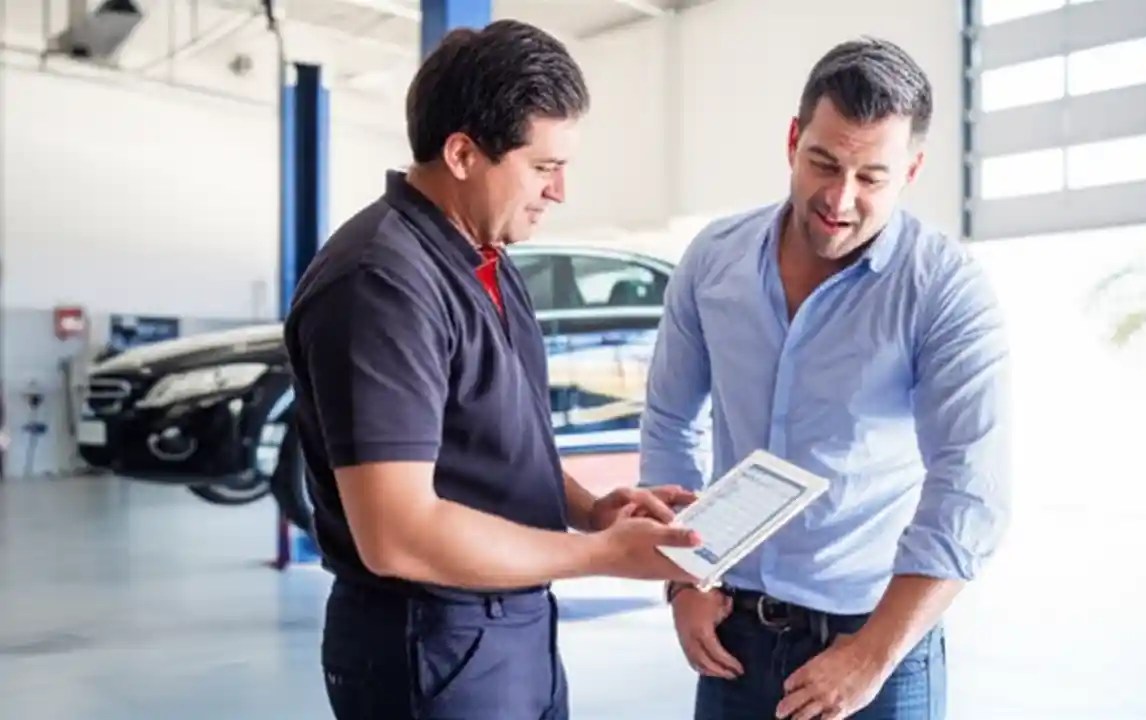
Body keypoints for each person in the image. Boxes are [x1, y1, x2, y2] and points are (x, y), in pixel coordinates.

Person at [284, 20, 700, 720]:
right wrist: (603, 556)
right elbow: (397, 534)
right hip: (431, 639)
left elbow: (495, 443)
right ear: (462, 153)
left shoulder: (485, 259)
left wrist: (591, 511)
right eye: (542, 167)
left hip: (509, 624)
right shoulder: (380, 283)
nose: (560, 191)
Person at [639, 37, 1013, 720]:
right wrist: (683, 578)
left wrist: (873, 653)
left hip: (878, 647)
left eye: (872, 177)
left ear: (912, 170)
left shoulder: (945, 289)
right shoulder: (714, 261)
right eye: (824, 164)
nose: (840, 199)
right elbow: (670, 420)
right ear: (793, 141)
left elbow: (970, 486)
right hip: (732, 637)